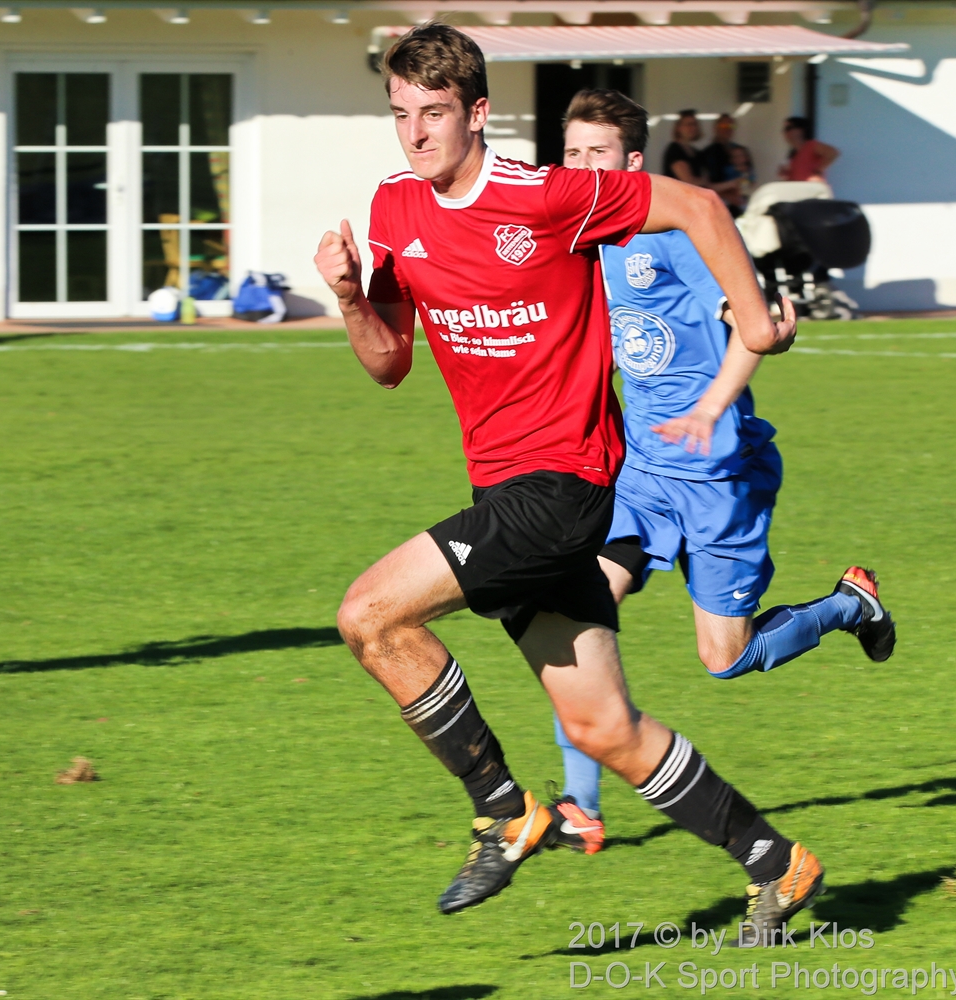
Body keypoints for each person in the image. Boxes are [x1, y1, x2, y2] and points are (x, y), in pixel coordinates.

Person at [313, 23, 822, 936]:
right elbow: (389, 364)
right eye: (400, 115)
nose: (415, 134)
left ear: (478, 114)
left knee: (369, 615)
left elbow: (700, 208)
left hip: (565, 487)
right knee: (603, 731)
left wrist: (754, 322)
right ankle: (776, 863)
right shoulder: (395, 209)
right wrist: (352, 296)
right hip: (503, 493)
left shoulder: (551, 195)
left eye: (434, 114)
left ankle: (504, 809)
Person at [550, 88, 896, 856]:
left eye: (595, 154)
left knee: (726, 657)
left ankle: (848, 606)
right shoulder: (581, 234)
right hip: (641, 471)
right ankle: (580, 805)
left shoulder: (674, 231)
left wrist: (709, 408)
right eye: (570, 152)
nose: (579, 167)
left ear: (632, 164)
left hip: (718, 473)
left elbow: (756, 326)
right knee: (576, 613)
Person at [699, 113, 754, 216]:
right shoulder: (707, 154)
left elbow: (750, 178)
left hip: (741, 203)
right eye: (724, 126)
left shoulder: (741, 150)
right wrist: (728, 195)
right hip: (717, 205)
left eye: (732, 126)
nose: (728, 129)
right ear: (716, 127)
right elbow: (705, 184)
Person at [778, 117, 840, 182]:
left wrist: (817, 172)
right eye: (784, 129)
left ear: (801, 130)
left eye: (789, 128)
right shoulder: (793, 153)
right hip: (799, 189)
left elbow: (833, 153)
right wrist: (785, 173)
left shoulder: (811, 145)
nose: (785, 132)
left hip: (812, 189)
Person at [661, 110, 705, 186]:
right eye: (688, 124)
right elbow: (689, 182)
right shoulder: (674, 150)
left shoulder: (696, 152)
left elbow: (706, 179)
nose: (692, 128)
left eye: (694, 124)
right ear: (679, 128)